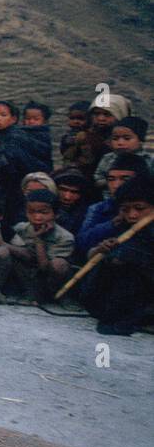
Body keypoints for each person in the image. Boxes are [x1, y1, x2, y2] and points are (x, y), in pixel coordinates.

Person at [78, 175, 154, 335]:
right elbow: (90, 255)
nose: (132, 215)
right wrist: (100, 250)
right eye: (126, 210)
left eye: (139, 209)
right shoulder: (123, 225)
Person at [0, 100, 51, 236]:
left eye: (3, 115)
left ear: (13, 119)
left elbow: (18, 162)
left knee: (18, 220)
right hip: (4, 186)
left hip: (19, 187)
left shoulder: (16, 136)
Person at [74, 154, 149, 258]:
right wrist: (112, 224)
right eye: (111, 179)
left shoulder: (149, 205)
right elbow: (81, 244)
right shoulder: (98, 208)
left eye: (125, 179)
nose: (116, 185)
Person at [92, 116, 152, 190]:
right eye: (115, 139)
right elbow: (98, 177)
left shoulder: (148, 159)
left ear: (140, 140)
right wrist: (111, 181)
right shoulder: (108, 158)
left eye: (127, 138)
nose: (120, 143)